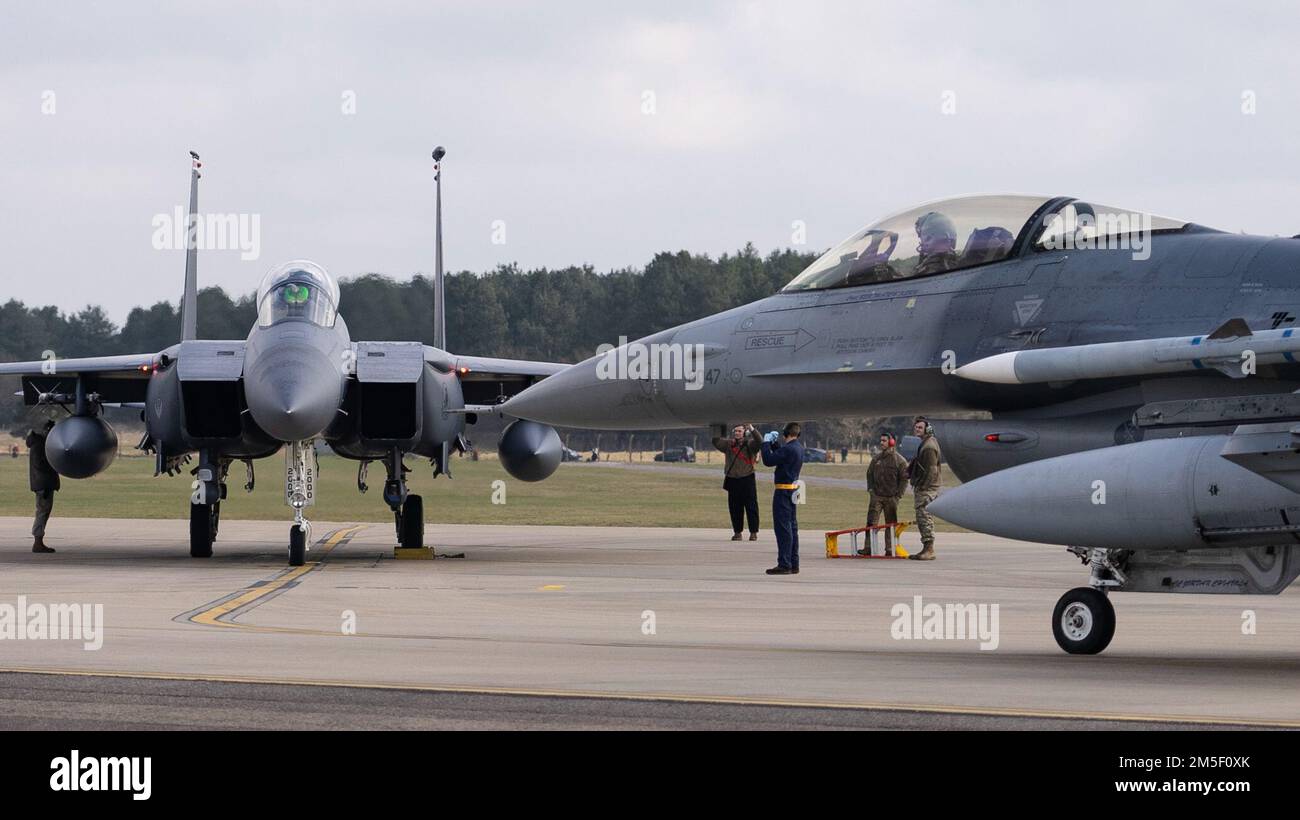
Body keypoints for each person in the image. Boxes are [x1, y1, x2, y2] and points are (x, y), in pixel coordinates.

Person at [761, 422, 804, 575]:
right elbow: (781, 456)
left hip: (783, 492)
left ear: (786, 432)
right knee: (792, 527)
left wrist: (765, 443)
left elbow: (768, 460)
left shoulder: (789, 449)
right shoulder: (797, 448)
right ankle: (793, 563)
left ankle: (784, 564)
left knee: (783, 528)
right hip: (794, 490)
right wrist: (774, 445)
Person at [862, 430, 909, 554]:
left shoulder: (900, 460)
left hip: (891, 498)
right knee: (871, 523)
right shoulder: (876, 458)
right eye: (881, 440)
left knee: (891, 525)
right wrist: (871, 490)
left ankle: (890, 549)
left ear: (892, 442)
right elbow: (869, 474)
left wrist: (898, 496)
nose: (881, 443)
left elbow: (904, 479)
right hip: (876, 496)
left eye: (884, 440)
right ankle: (868, 547)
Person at [713, 424, 762, 541]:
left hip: (747, 478)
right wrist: (720, 427)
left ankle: (753, 532)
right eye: (735, 431)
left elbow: (759, 441)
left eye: (740, 431)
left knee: (751, 507)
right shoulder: (728, 444)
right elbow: (716, 441)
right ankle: (737, 532)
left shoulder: (750, 444)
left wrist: (751, 428)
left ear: (744, 433)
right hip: (732, 479)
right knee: (734, 508)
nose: (737, 433)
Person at [907, 416, 942, 561]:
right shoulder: (926, 443)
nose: (917, 429)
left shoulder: (928, 446)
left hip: (927, 488)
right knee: (923, 516)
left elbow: (931, 470)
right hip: (926, 486)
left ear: (927, 429)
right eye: (916, 427)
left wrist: (923, 486)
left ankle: (929, 549)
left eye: (920, 427)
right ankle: (927, 548)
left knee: (924, 517)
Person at [25, 420, 59, 554]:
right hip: (43, 484)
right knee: (42, 512)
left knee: (43, 511)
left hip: (42, 483)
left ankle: (39, 541)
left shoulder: (38, 444)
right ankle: (38, 542)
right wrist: (55, 462)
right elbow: (41, 464)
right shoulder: (40, 446)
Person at [913, 211, 960, 276]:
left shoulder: (926, 272)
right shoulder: (961, 262)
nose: (921, 242)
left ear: (928, 237)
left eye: (920, 236)